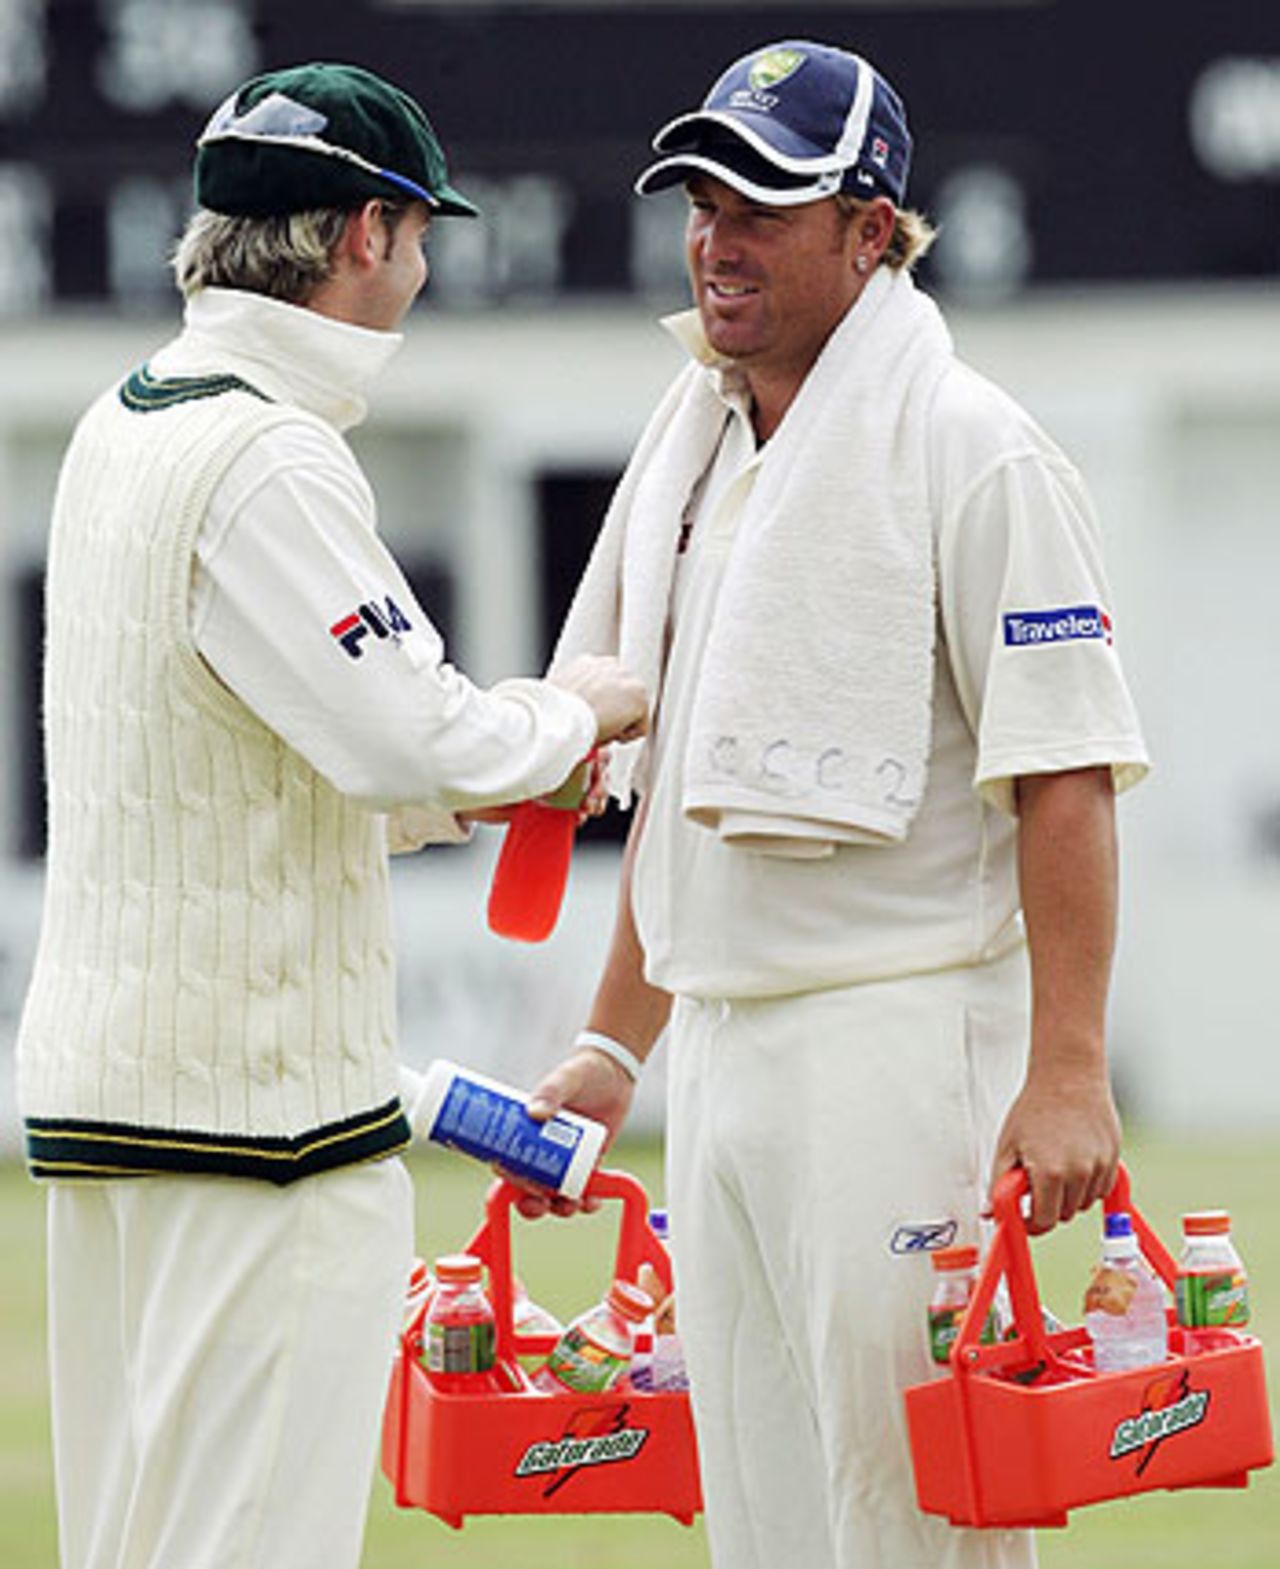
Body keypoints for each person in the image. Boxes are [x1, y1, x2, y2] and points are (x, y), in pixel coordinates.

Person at [524, 39, 1149, 1569]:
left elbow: (1064, 769)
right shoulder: (695, 456)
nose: (716, 242)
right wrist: (615, 1044)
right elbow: (686, 793)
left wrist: (1068, 1066)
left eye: (764, 207)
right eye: (701, 202)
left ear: (873, 230)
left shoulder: (972, 445)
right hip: (723, 1057)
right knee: (762, 1508)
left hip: (896, 1039)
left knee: (912, 1502)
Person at [16, 61, 647, 1569]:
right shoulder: (269, 452)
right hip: (258, 1133)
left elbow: (247, 759)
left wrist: (466, 793)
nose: (422, 274)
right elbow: (408, 731)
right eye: (418, 238)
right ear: (365, 230)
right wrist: (579, 719)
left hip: (110, 1112)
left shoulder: (125, 422)